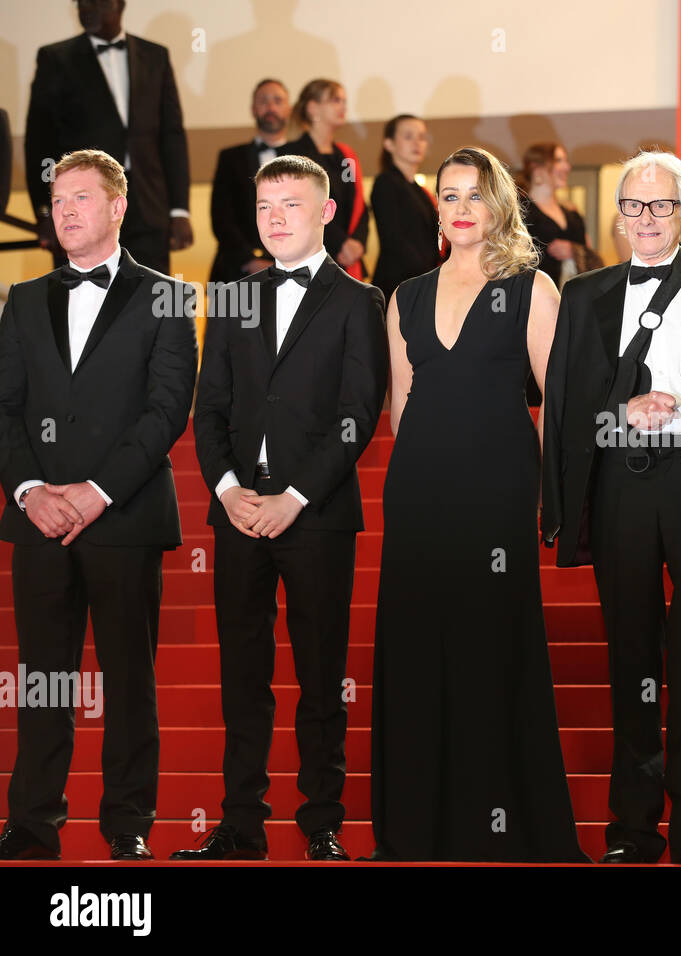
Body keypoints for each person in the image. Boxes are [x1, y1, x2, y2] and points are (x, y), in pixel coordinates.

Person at [368, 146, 586, 862]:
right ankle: (417, 828)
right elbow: (402, 409)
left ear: (499, 206)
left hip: (497, 492)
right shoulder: (405, 296)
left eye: (473, 195)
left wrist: (553, 496)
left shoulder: (532, 289)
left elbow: (560, 402)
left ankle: (502, 824)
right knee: (417, 653)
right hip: (418, 495)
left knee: (492, 647)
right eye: (449, 196)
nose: (460, 209)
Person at [542, 150, 681, 864]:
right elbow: (567, 412)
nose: (647, 219)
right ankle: (632, 825)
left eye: (663, 206)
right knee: (629, 654)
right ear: (619, 214)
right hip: (623, 489)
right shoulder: (584, 296)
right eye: (634, 205)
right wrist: (622, 411)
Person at [177, 155, 387, 862]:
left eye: (291, 206)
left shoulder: (361, 301)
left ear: (328, 212)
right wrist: (230, 489)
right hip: (237, 515)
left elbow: (358, 415)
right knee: (243, 675)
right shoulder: (235, 296)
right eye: (265, 206)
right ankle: (241, 824)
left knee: (321, 676)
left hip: (317, 513)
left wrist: (295, 497)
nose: (274, 219)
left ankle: (320, 821)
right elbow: (208, 411)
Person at [0, 149, 197, 861]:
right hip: (40, 521)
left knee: (129, 678)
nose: (67, 210)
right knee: (44, 676)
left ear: (117, 207)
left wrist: (96, 491)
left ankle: (128, 824)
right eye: (58, 200)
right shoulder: (22, 301)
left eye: (83, 197)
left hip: (125, 516)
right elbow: (5, 410)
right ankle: (31, 822)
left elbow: (167, 409)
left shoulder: (167, 296)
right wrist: (29, 491)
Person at [24, 0, 192, 275]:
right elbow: (40, 144)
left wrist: (179, 211)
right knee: (85, 302)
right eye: (81, 3)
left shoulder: (155, 56)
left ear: (120, 6)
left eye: (97, 2)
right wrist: (45, 212)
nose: (86, 8)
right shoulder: (55, 59)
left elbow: (171, 137)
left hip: (149, 209)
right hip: (81, 209)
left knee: (150, 302)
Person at [283, 79, 369, 280]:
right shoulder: (293, 154)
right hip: (312, 257)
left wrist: (357, 242)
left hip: (348, 259)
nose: (343, 107)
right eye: (335, 100)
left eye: (344, 101)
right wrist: (340, 243)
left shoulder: (346, 156)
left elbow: (359, 207)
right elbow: (302, 206)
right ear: (313, 108)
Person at [209, 78, 292, 283]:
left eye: (278, 101)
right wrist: (249, 259)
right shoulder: (230, 158)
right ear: (253, 109)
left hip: (294, 270)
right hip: (237, 271)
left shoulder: (305, 158)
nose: (271, 107)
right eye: (263, 101)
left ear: (289, 109)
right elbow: (221, 216)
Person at [370, 113, 439, 300]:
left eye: (422, 137)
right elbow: (394, 239)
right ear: (389, 144)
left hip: (422, 281)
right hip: (399, 283)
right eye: (408, 137)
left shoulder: (418, 189)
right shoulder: (385, 183)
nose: (417, 143)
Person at [520, 142, 591, 287]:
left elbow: (592, 255)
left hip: (575, 298)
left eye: (566, 161)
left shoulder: (572, 214)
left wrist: (574, 251)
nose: (567, 167)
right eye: (559, 160)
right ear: (537, 169)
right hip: (537, 296)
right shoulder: (520, 213)